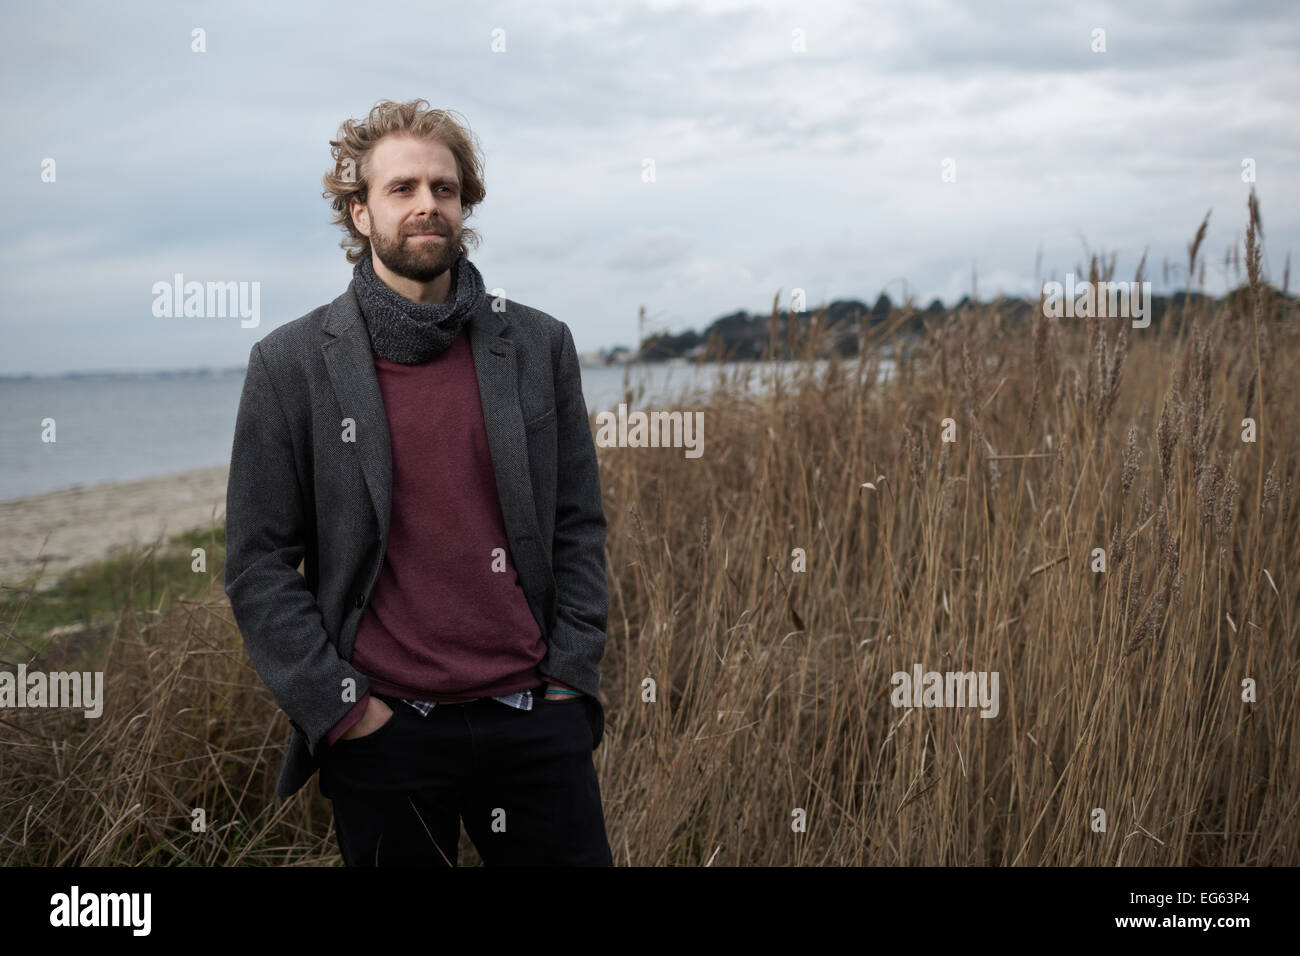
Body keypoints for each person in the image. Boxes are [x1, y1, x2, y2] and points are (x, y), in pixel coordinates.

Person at [223, 98, 613, 866]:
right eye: (401, 189)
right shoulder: (291, 365)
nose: (426, 205)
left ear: (465, 203)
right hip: (385, 732)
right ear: (360, 212)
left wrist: (571, 681)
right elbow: (258, 561)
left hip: (533, 717)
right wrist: (342, 711)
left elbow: (578, 524)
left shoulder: (537, 345)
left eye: (443, 187)